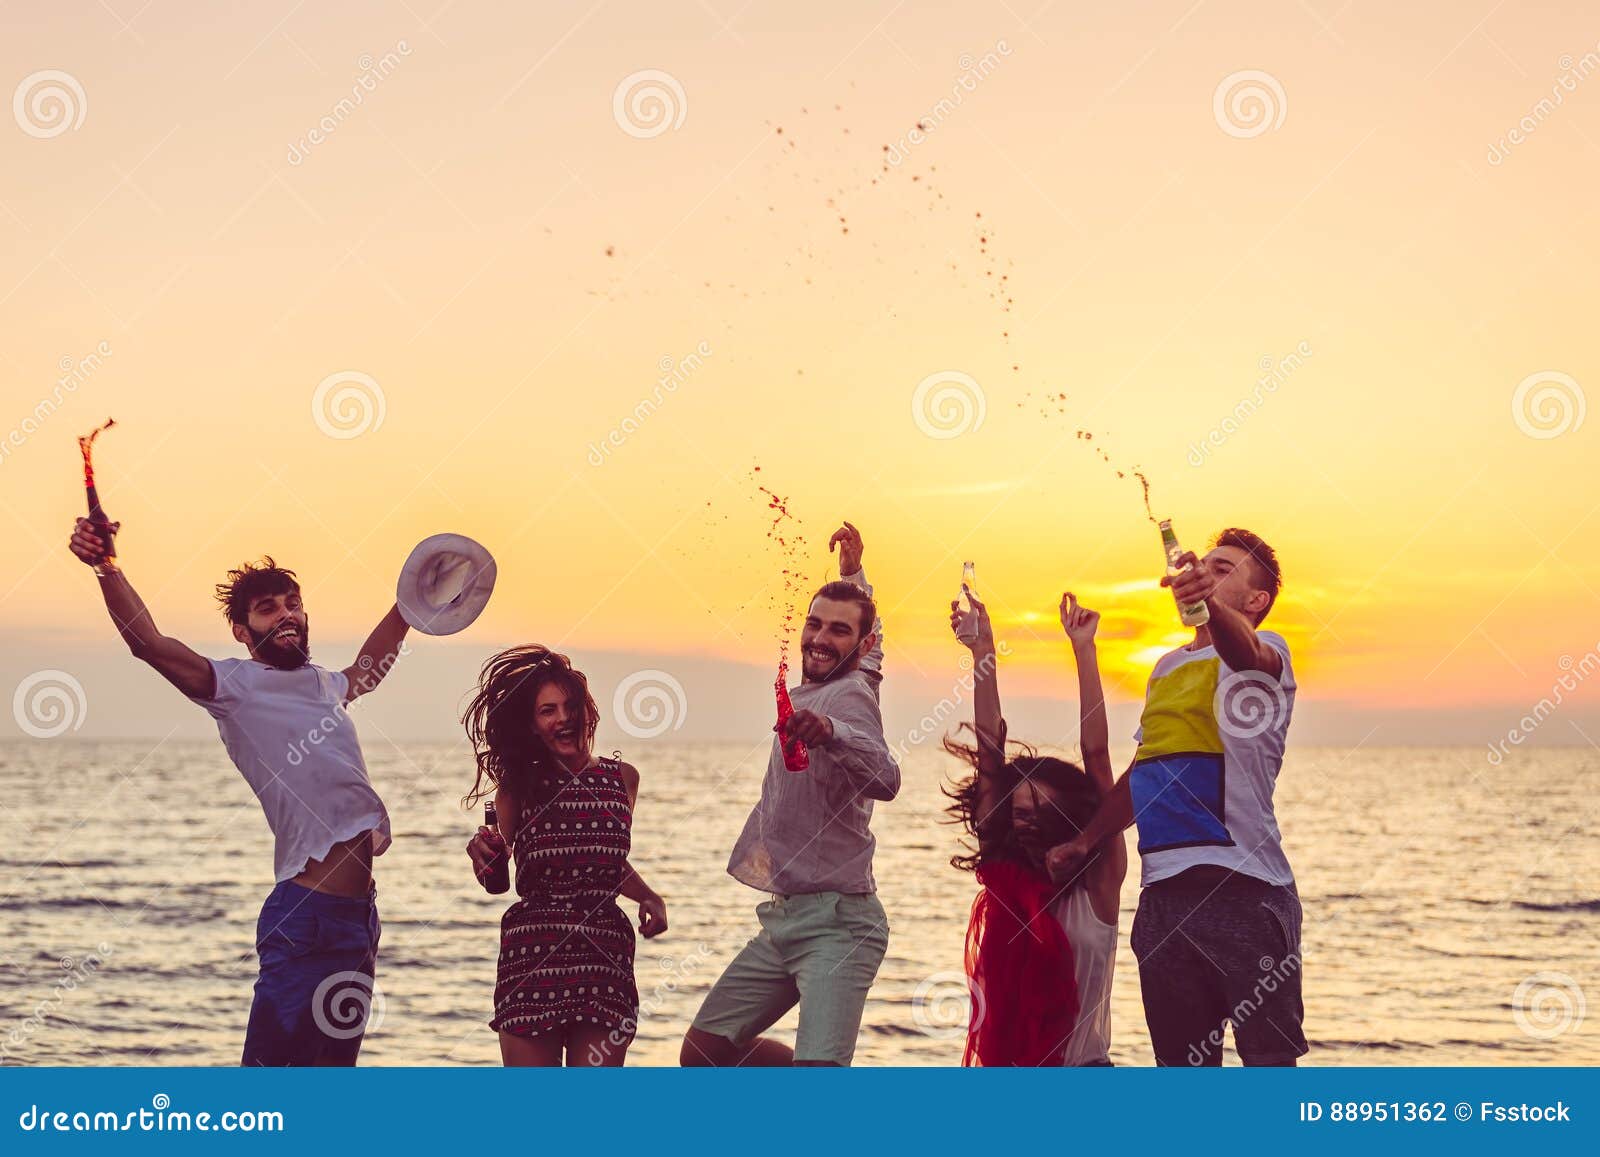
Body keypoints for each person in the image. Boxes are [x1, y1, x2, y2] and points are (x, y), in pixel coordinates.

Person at [67, 519, 408, 1065]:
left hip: (358, 921)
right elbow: (147, 643)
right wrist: (107, 567)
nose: (288, 614)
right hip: (305, 917)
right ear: (243, 632)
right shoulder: (235, 688)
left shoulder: (324, 685)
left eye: (293, 603)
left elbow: (367, 671)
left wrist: (406, 605)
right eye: (269, 608)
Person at [1047, 528, 1304, 1066]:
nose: (1207, 572)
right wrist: (1087, 840)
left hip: (1246, 891)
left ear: (1256, 600)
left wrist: (1205, 599)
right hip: (1163, 898)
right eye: (1203, 565)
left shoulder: (1268, 649)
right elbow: (1148, 770)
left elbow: (1248, 651)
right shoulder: (1163, 668)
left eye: (1224, 569)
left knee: (1269, 1065)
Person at [681, 521, 900, 1067]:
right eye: (814, 624)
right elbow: (865, 639)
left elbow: (886, 778)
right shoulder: (830, 681)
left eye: (839, 632)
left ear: (861, 644)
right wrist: (853, 574)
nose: (820, 639)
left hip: (840, 924)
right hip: (785, 920)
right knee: (704, 1053)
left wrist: (831, 734)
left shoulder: (850, 699)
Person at [944, 587, 1126, 1066]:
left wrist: (1084, 650)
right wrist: (983, 654)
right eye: (1018, 813)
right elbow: (989, 755)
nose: (1025, 824)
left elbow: (1098, 761)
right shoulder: (1007, 881)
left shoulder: (1098, 885)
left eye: (1038, 813)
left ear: (1069, 816)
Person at [463, 645, 668, 1067]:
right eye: (547, 711)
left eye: (570, 706)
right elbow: (496, 879)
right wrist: (483, 857)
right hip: (534, 953)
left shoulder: (622, 779)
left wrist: (648, 895)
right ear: (533, 726)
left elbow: (606, 863)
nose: (563, 718)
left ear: (587, 710)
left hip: (603, 953)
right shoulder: (517, 788)